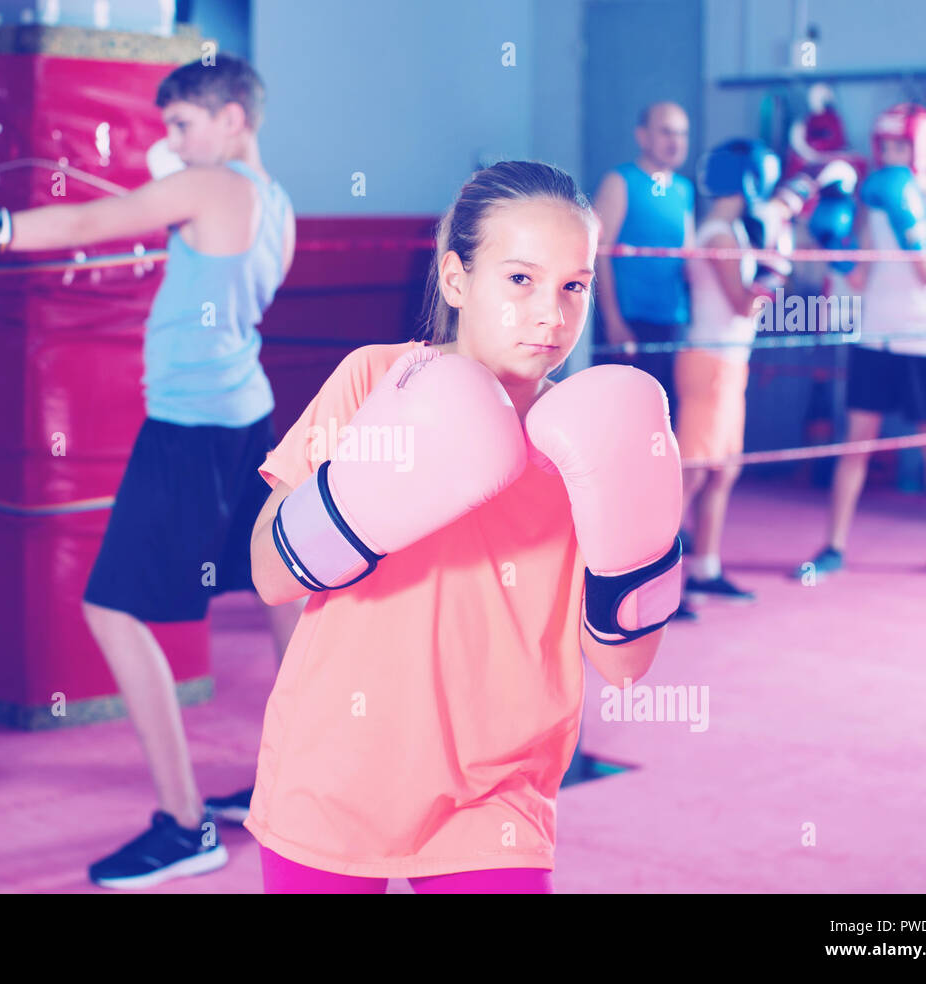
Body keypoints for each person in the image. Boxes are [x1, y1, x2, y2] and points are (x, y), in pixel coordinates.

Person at [0, 54, 306, 888]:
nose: (170, 142)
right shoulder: (277, 206)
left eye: (182, 124)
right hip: (250, 421)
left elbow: (73, 227)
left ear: (233, 117)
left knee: (111, 608)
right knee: (280, 592)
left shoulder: (210, 188)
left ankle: (184, 822)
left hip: (191, 432)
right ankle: (303, 785)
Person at [243, 161, 684, 894]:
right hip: (334, 770)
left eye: (573, 285)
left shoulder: (586, 437)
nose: (551, 313)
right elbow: (266, 571)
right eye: (520, 280)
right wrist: (352, 507)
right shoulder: (374, 378)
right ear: (456, 280)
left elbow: (625, 663)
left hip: (497, 789)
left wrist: (642, 537)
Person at [799, 103, 926, 580]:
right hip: (874, 335)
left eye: (903, 144)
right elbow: (858, 277)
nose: (894, 153)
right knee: (856, 443)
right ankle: (834, 544)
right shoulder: (871, 200)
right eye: (888, 145)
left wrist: (908, 219)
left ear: (924, 146)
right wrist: (832, 247)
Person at [678, 139, 790, 611]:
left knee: (723, 470)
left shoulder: (735, 231)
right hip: (708, 360)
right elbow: (744, 303)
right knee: (691, 474)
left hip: (729, 360)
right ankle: (649, 579)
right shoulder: (720, 235)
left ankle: (705, 569)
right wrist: (777, 266)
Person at [592, 102, 694, 421]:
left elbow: (689, 258)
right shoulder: (620, 181)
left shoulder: (683, 189)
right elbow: (598, 253)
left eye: (681, 133)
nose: (675, 141)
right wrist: (613, 320)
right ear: (642, 136)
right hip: (628, 322)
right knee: (622, 421)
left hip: (670, 322)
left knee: (661, 419)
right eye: (666, 131)